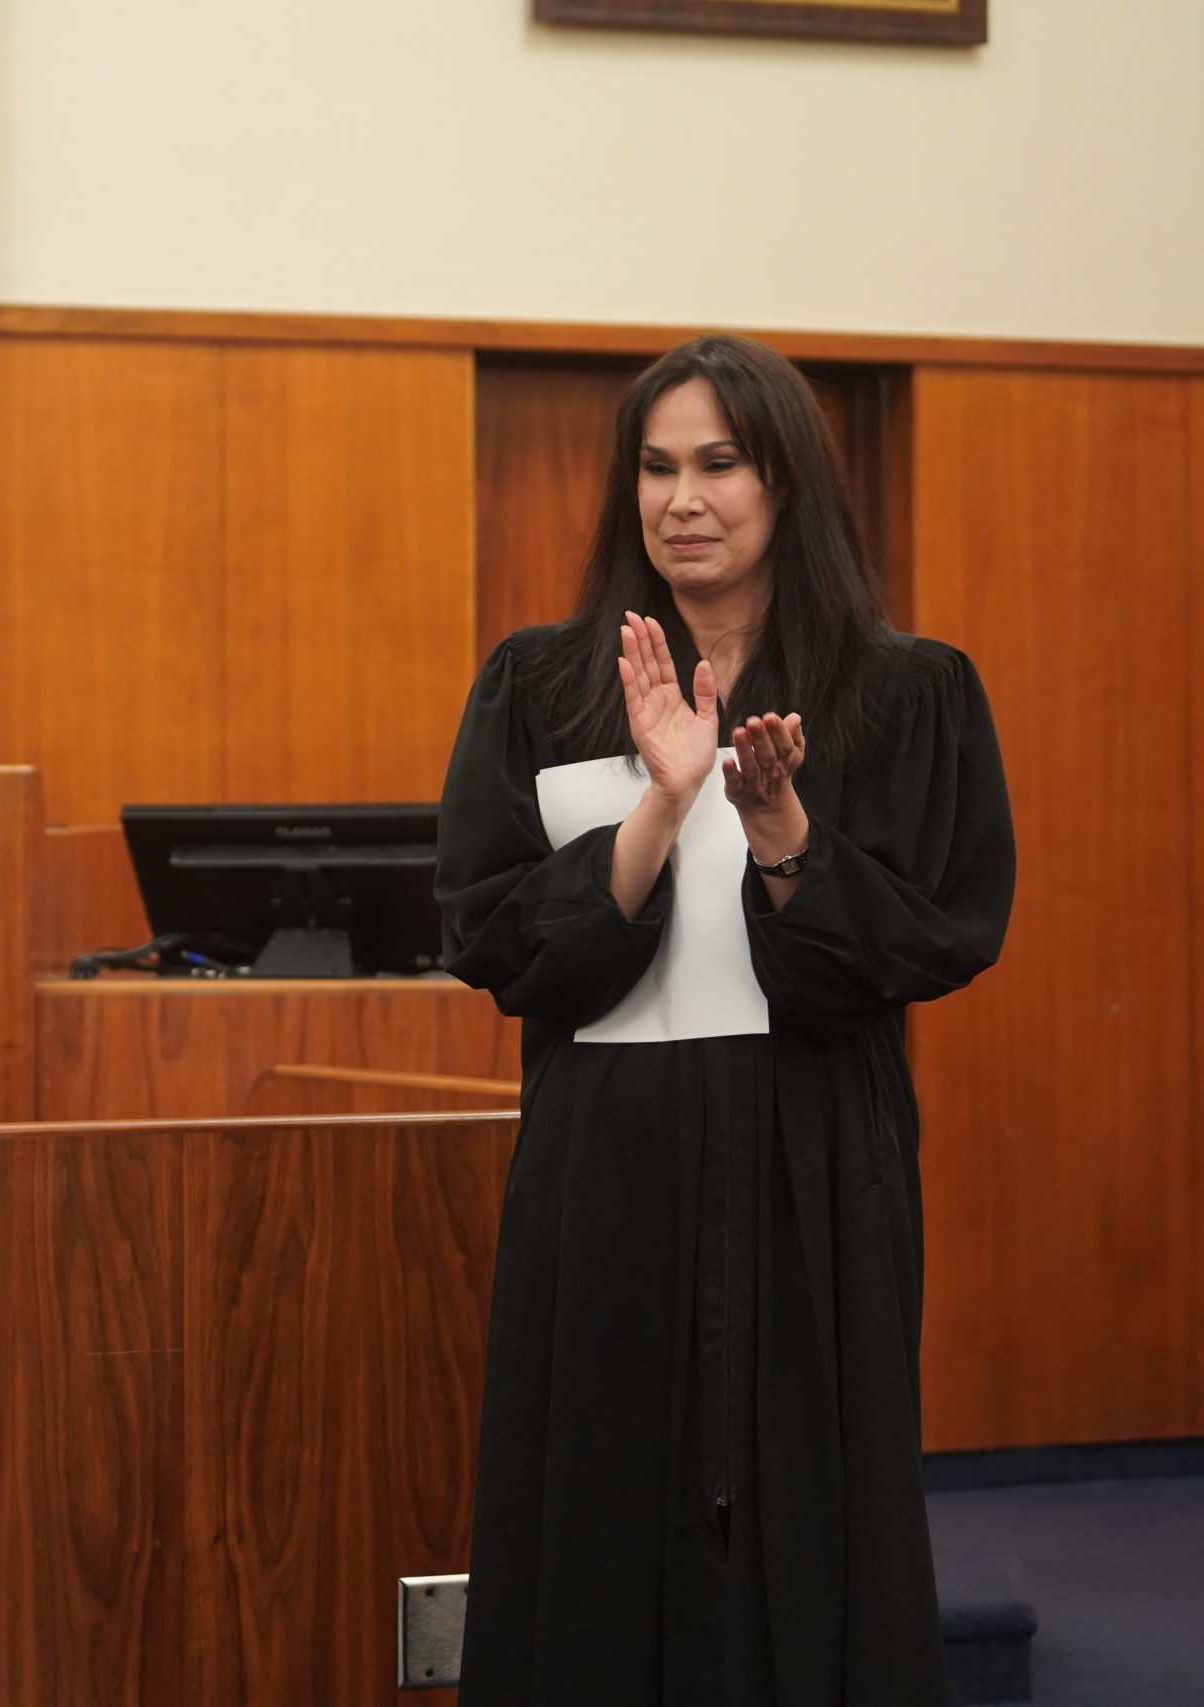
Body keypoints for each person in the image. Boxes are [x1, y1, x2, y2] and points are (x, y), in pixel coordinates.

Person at [435, 335, 1014, 1706]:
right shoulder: (540, 685)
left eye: (717, 464)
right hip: (608, 1170)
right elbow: (495, 936)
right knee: (594, 1503)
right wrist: (661, 807)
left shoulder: (907, 693)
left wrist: (781, 829)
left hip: (811, 1154)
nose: (681, 498)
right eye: (655, 466)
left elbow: (936, 936)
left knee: (812, 1512)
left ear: (787, 484)